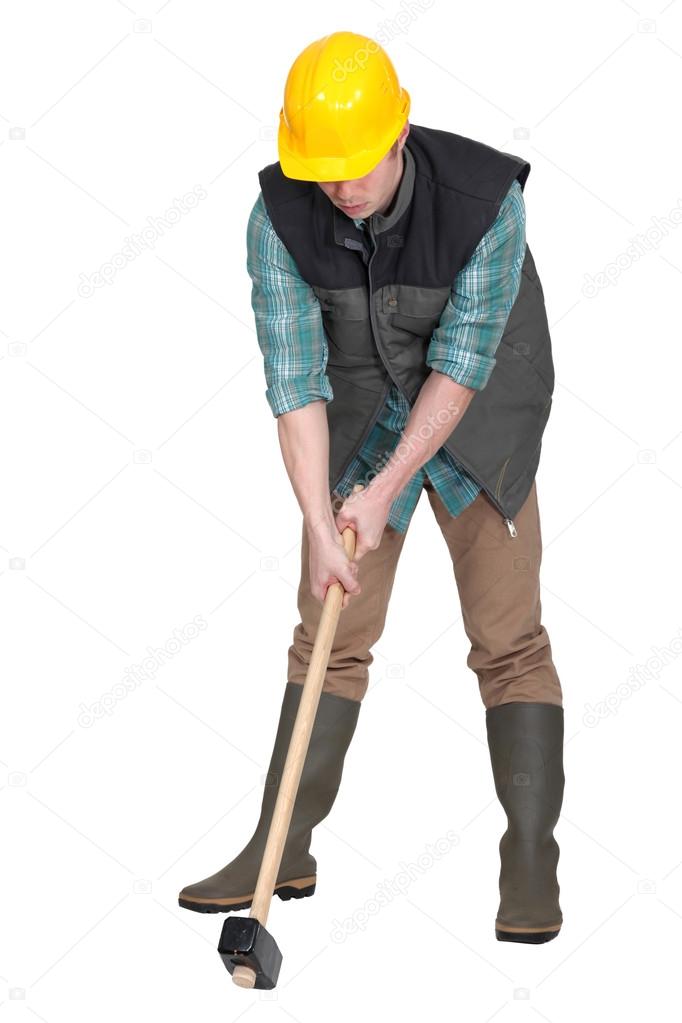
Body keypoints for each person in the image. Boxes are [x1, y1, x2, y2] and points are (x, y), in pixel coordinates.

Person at [179, 30, 565, 944]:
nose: (340, 187)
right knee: (328, 633)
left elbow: (463, 362)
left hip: (481, 411)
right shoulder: (278, 216)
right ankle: (281, 850)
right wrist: (320, 519)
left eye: (358, 166)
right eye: (324, 169)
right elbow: (294, 378)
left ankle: (530, 860)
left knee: (508, 638)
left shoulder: (485, 202)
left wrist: (388, 486)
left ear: (399, 136)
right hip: (359, 410)